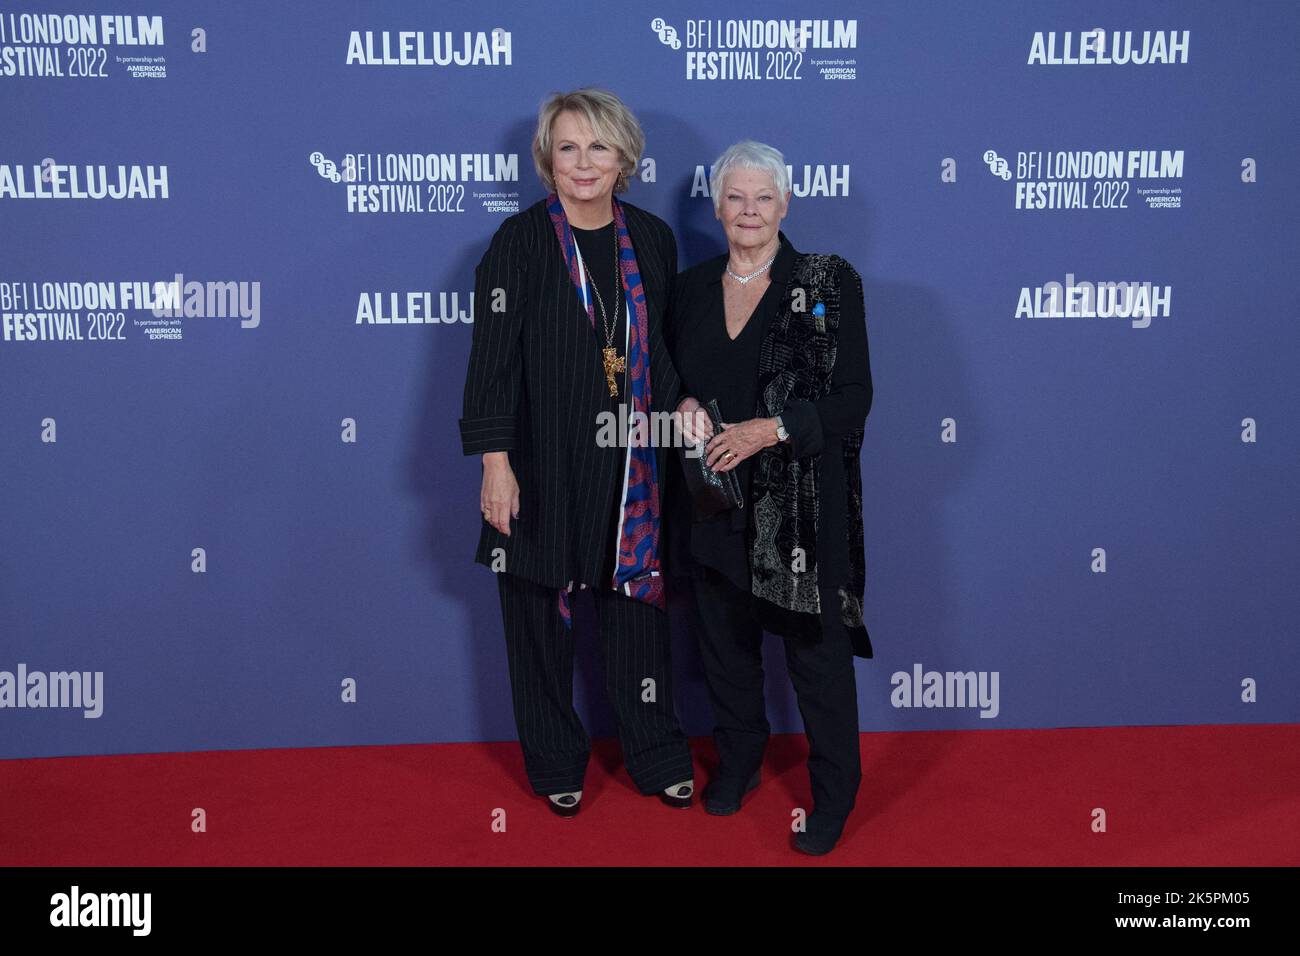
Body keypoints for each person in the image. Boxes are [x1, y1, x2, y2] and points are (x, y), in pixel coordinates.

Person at [459, 88, 694, 817]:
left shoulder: (652, 238)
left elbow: (659, 349)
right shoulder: (520, 242)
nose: (583, 162)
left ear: (624, 156)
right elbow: (490, 365)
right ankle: (557, 762)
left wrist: (683, 405)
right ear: (546, 160)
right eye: (567, 147)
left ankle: (656, 754)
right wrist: (496, 467)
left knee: (636, 617)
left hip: (630, 467)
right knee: (537, 618)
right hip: (541, 464)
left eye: (598, 146)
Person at [667, 139, 874, 854]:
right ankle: (739, 764)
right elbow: (668, 379)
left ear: (786, 204)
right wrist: (685, 401)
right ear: (717, 206)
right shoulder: (690, 289)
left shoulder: (825, 281)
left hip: (800, 513)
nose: (749, 210)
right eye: (735, 197)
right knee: (724, 651)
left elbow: (854, 400)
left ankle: (834, 799)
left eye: (763, 197)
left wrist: (771, 429)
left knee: (816, 664)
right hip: (714, 504)